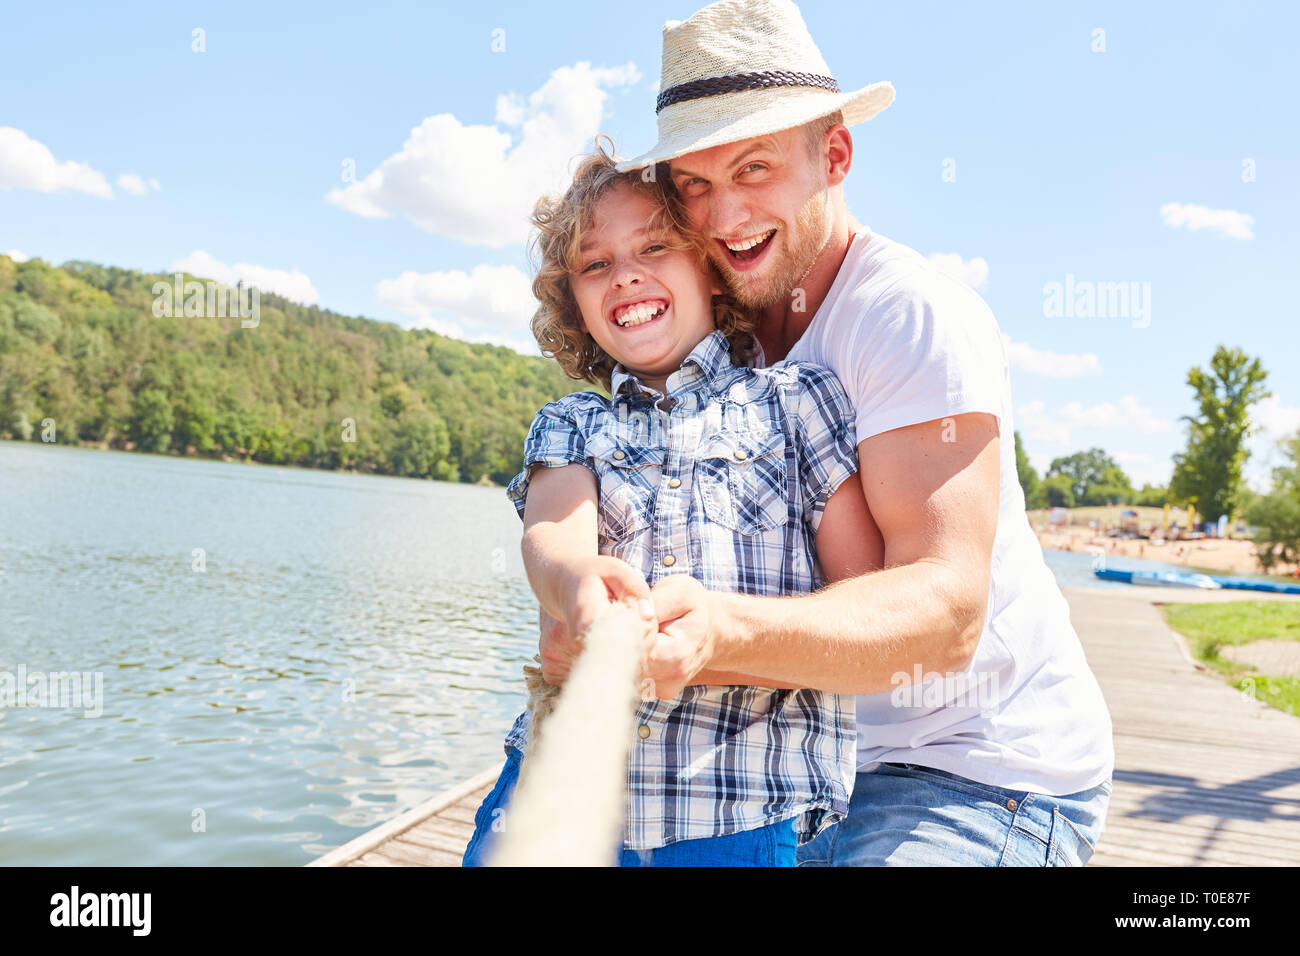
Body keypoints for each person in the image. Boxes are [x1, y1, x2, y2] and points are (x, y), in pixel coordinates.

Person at [540, 0, 1115, 866]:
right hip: (811, 768)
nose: (726, 215)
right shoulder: (722, 336)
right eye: (694, 184)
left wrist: (717, 639)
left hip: (976, 771)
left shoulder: (908, 315)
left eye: (756, 167)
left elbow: (946, 614)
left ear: (834, 154)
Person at [461, 145, 882, 867]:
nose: (625, 272)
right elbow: (554, 538)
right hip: (557, 796)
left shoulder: (800, 405)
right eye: (595, 264)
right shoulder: (572, 425)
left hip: (750, 814)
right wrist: (573, 587)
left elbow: (866, 615)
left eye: (655, 246)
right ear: (576, 305)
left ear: (711, 272)